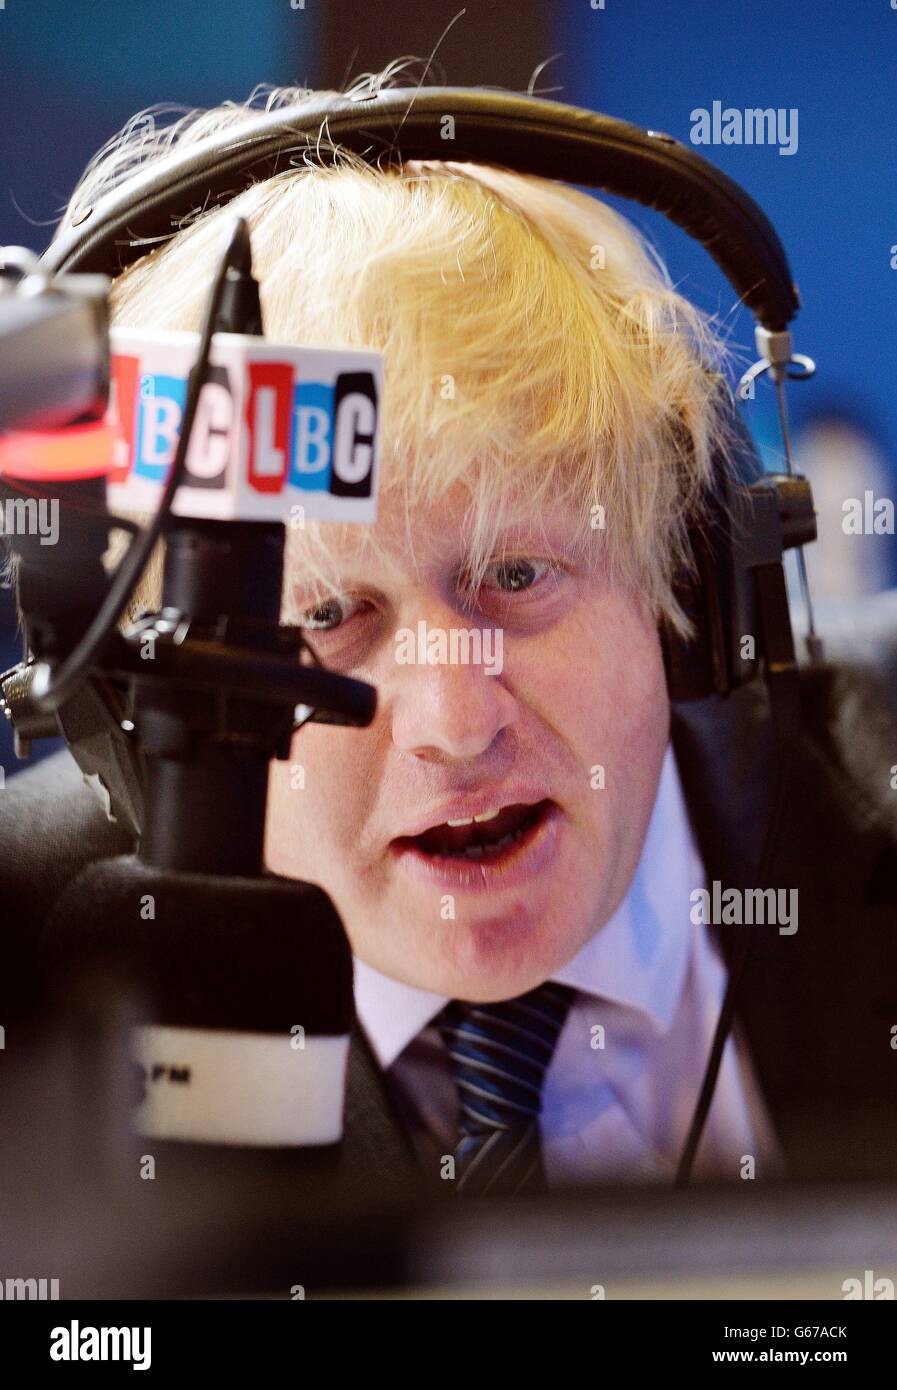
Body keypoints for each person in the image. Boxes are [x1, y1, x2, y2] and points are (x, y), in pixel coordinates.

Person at [4, 71, 897, 1199]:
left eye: (518, 576)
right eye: (327, 614)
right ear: (145, 694)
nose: (455, 725)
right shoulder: (24, 961)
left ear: (686, 581)